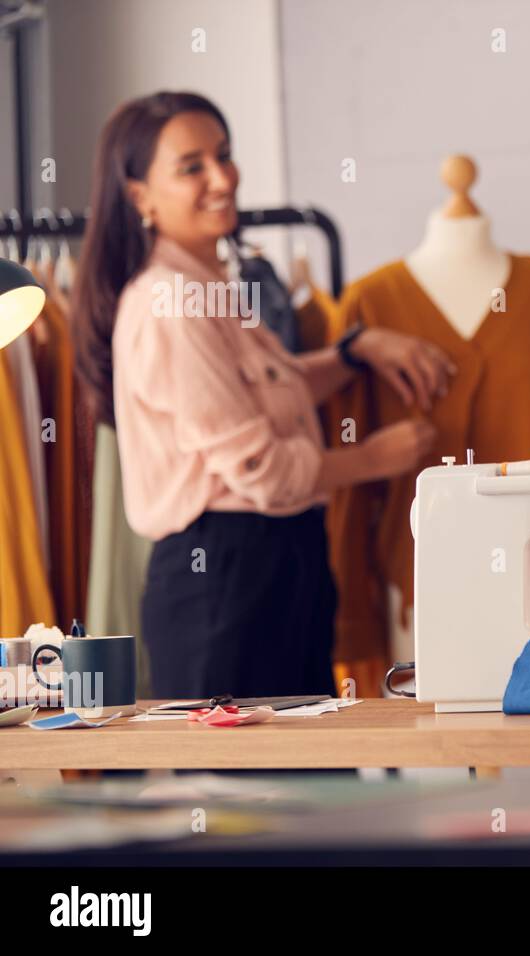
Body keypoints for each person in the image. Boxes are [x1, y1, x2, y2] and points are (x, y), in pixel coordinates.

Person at [73, 91, 449, 698]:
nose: (222, 178)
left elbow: (274, 396)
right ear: (139, 195)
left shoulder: (211, 287)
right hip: (224, 578)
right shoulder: (172, 303)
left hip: (273, 565)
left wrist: (353, 353)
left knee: (301, 781)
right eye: (191, 166)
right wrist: (377, 458)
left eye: (224, 155)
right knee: (246, 789)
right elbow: (261, 468)